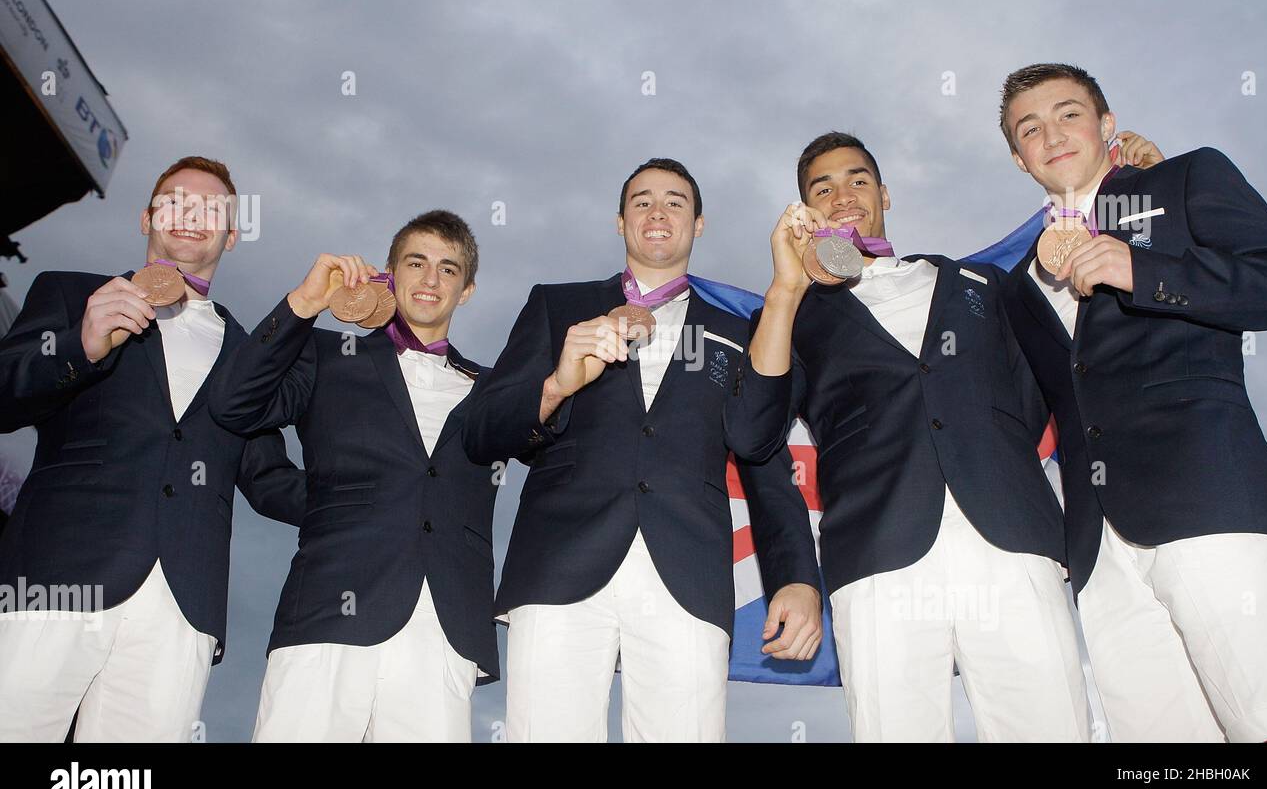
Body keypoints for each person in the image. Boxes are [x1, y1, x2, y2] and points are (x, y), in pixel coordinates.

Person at [727, 132, 1091, 741]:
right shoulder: (793, 317)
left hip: (1011, 541)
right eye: (823, 188)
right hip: (877, 560)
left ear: (885, 193)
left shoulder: (983, 284)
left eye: (857, 180)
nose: (844, 195)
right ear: (805, 212)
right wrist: (785, 289)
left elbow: (1036, 399)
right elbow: (752, 434)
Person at [464, 158, 823, 742]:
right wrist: (555, 386)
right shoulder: (558, 306)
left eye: (676, 202)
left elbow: (763, 452)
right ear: (620, 221)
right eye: (642, 201)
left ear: (698, 224)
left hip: (689, 571)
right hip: (559, 564)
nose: (659, 212)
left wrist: (797, 577)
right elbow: (482, 432)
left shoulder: (746, 327)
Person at [996, 61, 1267, 742]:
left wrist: (1145, 271)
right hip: (1100, 551)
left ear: (1106, 123)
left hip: (1212, 502)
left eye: (1069, 114)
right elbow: (1025, 415)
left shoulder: (1183, 179)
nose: (1052, 135)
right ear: (1019, 158)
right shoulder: (1017, 286)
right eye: (1030, 129)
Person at [0, 156, 305, 742]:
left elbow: (270, 481)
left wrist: (377, 494)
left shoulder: (250, 357)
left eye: (209, 207)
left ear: (231, 234)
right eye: (175, 201)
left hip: (180, 609)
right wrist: (81, 347)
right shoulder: (70, 294)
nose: (190, 215)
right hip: (52, 584)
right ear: (146, 219)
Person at [208, 210, 499, 742]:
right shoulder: (325, 355)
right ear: (389, 272)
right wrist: (304, 304)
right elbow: (233, 405)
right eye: (416, 262)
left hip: (444, 633)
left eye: (448, 269)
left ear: (468, 290)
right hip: (327, 615)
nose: (431, 279)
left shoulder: (494, 390)